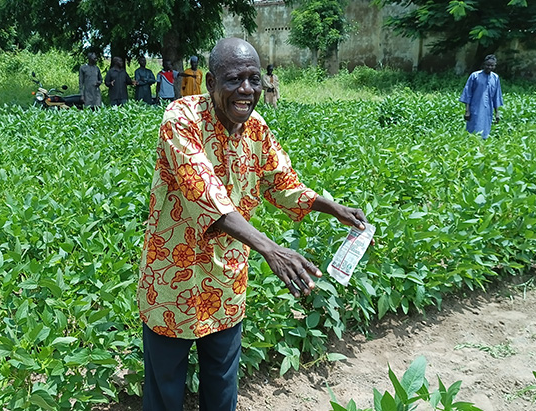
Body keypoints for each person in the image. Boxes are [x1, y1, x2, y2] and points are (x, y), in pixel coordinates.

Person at [138, 37, 368, 411]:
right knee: (164, 393)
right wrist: (271, 249)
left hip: (225, 282)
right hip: (171, 278)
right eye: (233, 80)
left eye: (254, 79)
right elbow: (204, 193)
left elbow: (283, 183)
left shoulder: (256, 128)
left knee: (223, 387)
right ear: (211, 83)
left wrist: (332, 207)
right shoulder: (181, 120)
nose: (246, 90)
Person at [459, 54, 503, 139]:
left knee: (485, 133)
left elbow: (496, 96)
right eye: (487, 65)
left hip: (488, 111)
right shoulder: (475, 76)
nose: (489, 67)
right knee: (473, 133)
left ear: (494, 66)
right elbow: (468, 93)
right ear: (483, 64)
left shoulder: (495, 78)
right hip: (475, 109)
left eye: (492, 65)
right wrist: (467, 111)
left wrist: (497, 113)